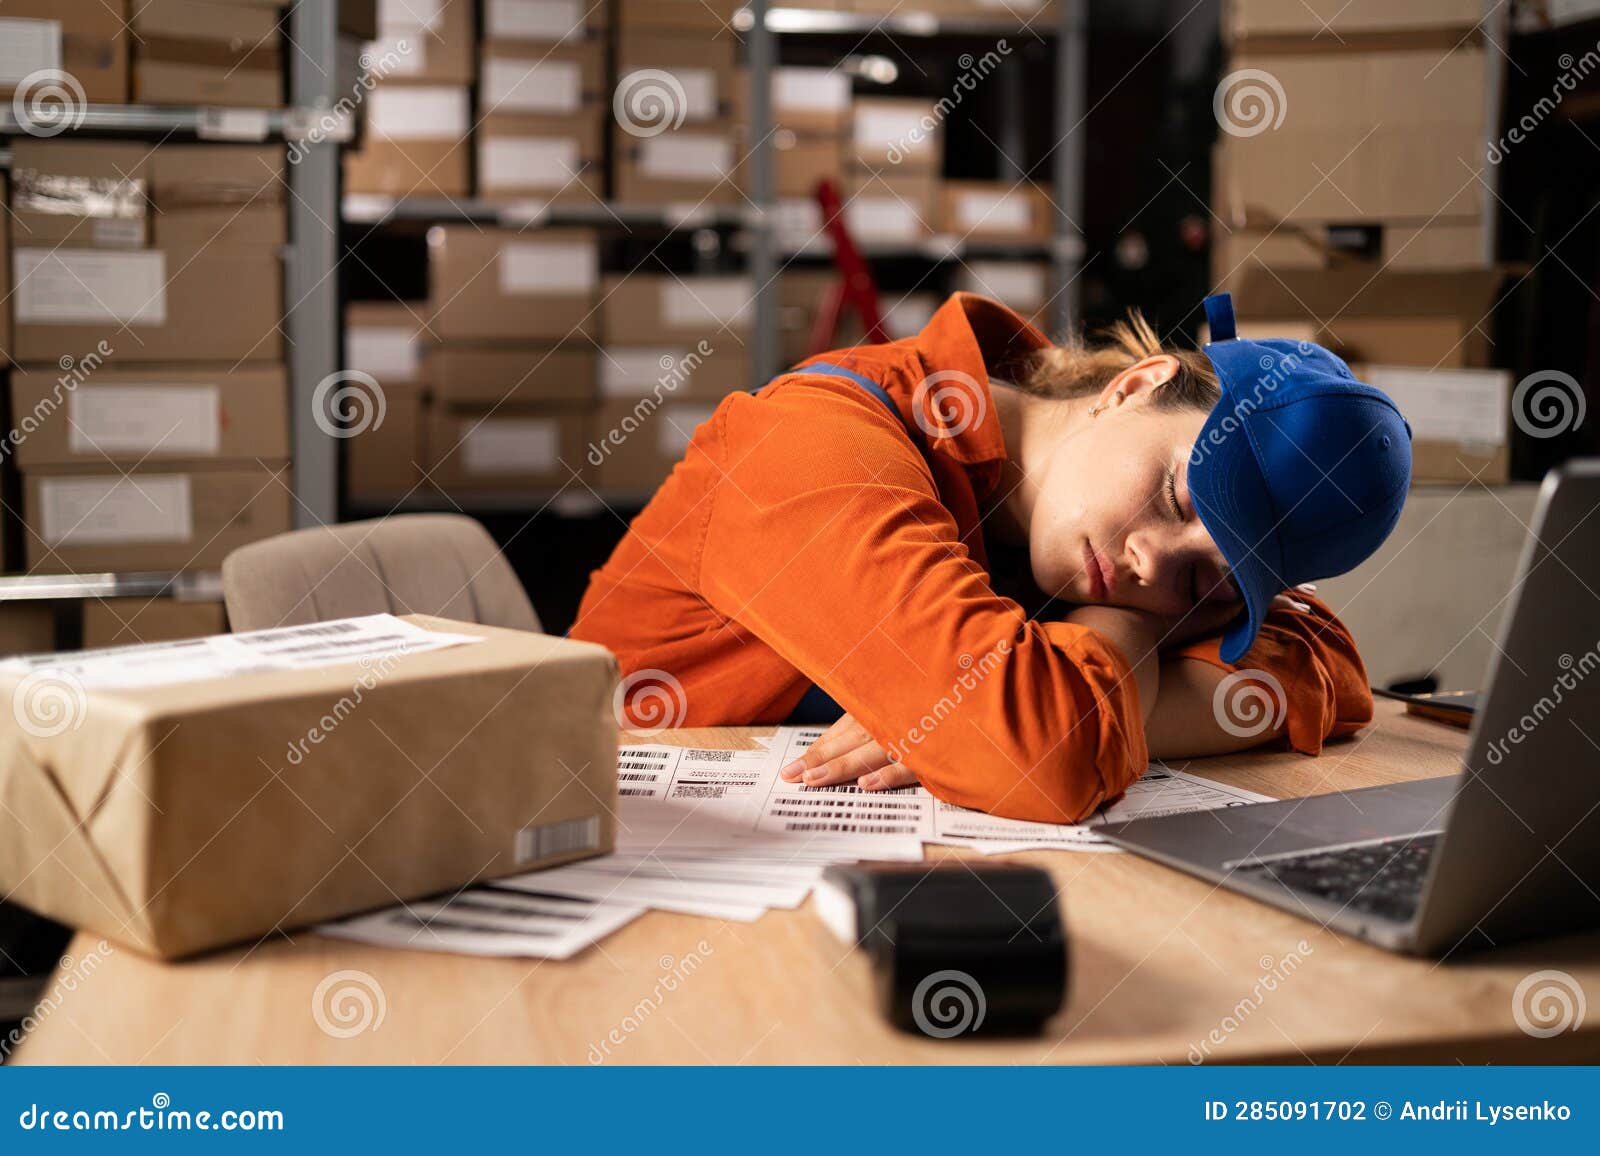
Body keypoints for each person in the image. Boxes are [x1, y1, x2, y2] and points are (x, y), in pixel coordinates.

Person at [571, 291, 1411, 822]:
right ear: (1134, 385)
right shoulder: (812, 443)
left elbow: (1328, 671)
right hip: (624, 847)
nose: (1154, 566)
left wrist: (1014, 692)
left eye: (1209, 581)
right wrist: (1121, 653)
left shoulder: (1076, 529)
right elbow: (1042, 754)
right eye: (1180, 498)